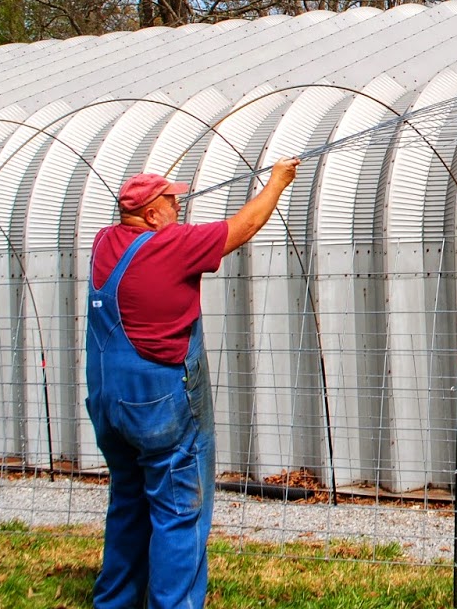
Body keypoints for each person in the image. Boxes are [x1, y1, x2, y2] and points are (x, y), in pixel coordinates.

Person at [86, 158, 299, 609]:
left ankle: (114, 602)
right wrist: (278, 181)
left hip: (109, 404)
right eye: (170, 201)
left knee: (128, 504)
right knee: (180, 512)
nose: (178, 207)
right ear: (149, 215)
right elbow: (244, 225)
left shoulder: (104, 242)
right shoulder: (171, 246)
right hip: (158, 404)